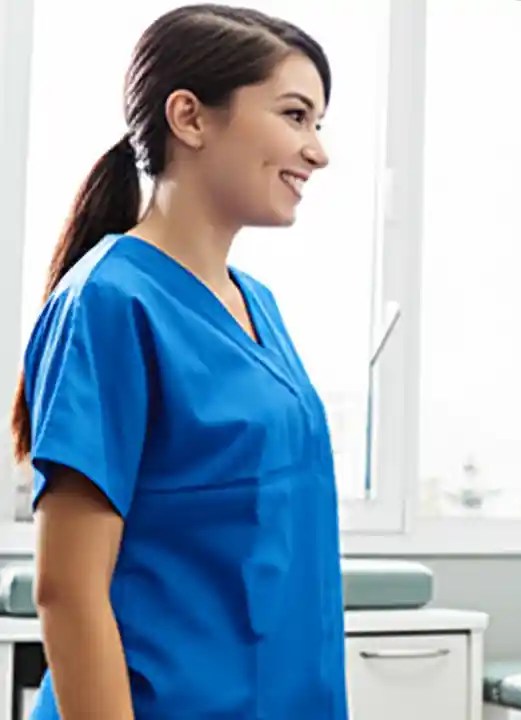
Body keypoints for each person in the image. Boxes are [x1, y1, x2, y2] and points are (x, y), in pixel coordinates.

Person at [9, 5, 345, 718]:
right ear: (189, 118)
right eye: (295, 116)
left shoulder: (258, 305)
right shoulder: (109, 302)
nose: (317, 151)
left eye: (318, 123)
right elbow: (68, 591)